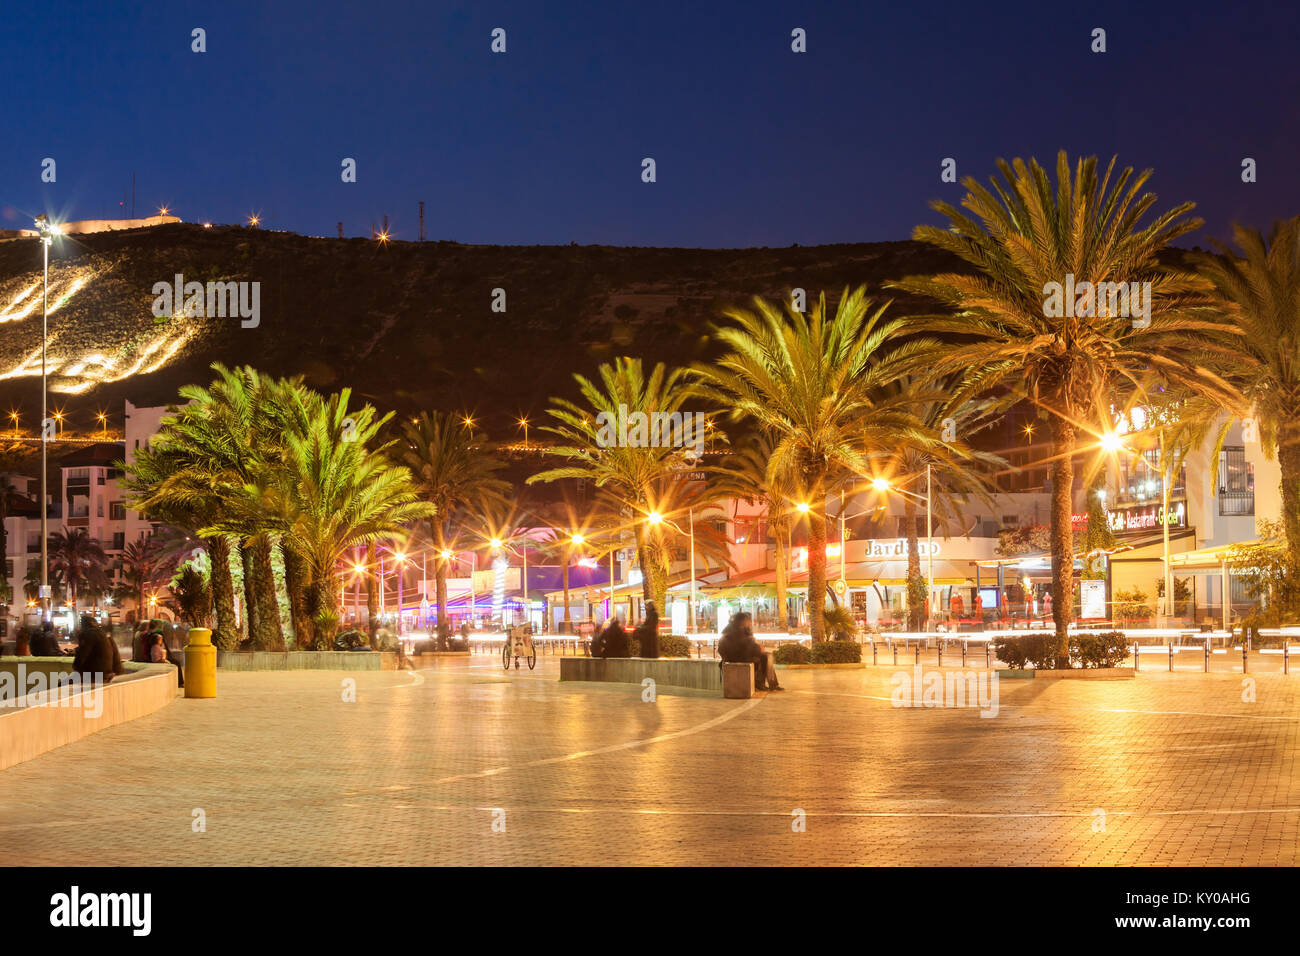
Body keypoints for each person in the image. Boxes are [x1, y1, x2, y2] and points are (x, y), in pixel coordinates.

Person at [718, 611, 782, 691]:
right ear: (742, 621)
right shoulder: (736, 632)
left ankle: (767, 684)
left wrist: (757, 648)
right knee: (766, 657)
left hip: (740, 657)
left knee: (766, 657)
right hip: (738, 659)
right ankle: (764, 684)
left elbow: (750, 645)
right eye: (748, 621)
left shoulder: (734, 630)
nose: (749, 622)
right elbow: (747, 645)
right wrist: (758, 649)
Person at [71, 616, 116, 684]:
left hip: (94, 675)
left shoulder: (88, 634)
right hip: (106, 673)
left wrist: (76, 666)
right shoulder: (102, 633)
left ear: (84, 625)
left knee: (60, 686)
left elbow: (82, 655)